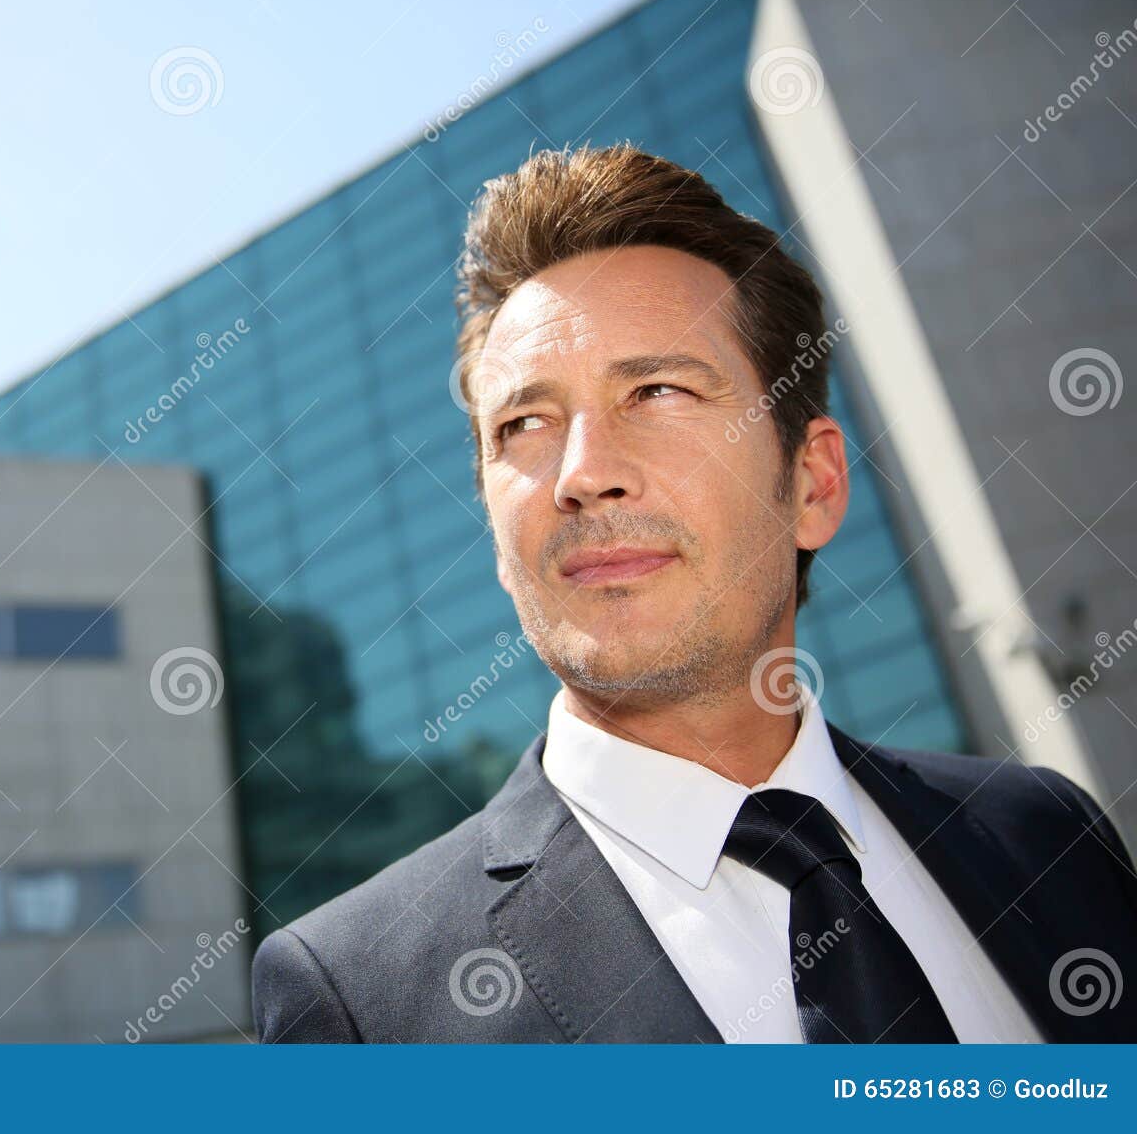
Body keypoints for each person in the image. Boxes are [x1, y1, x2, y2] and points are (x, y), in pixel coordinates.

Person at [251, 144, 1137, 1044]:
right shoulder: (360, 1005)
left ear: (814, 484)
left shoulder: (1045, 834)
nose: (584, 473)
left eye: (658, 389)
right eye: (524, 424)